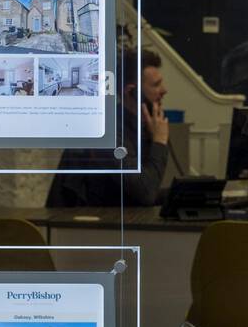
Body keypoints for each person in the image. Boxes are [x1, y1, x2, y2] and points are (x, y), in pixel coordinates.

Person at [46, 47, 178, 207]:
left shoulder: (141, 127)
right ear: (131, 92)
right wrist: (159, 142)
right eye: (156, 85)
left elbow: (144, 190)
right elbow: (146, 192)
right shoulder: (108, 133)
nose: (164, 91)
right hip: (93, 227)